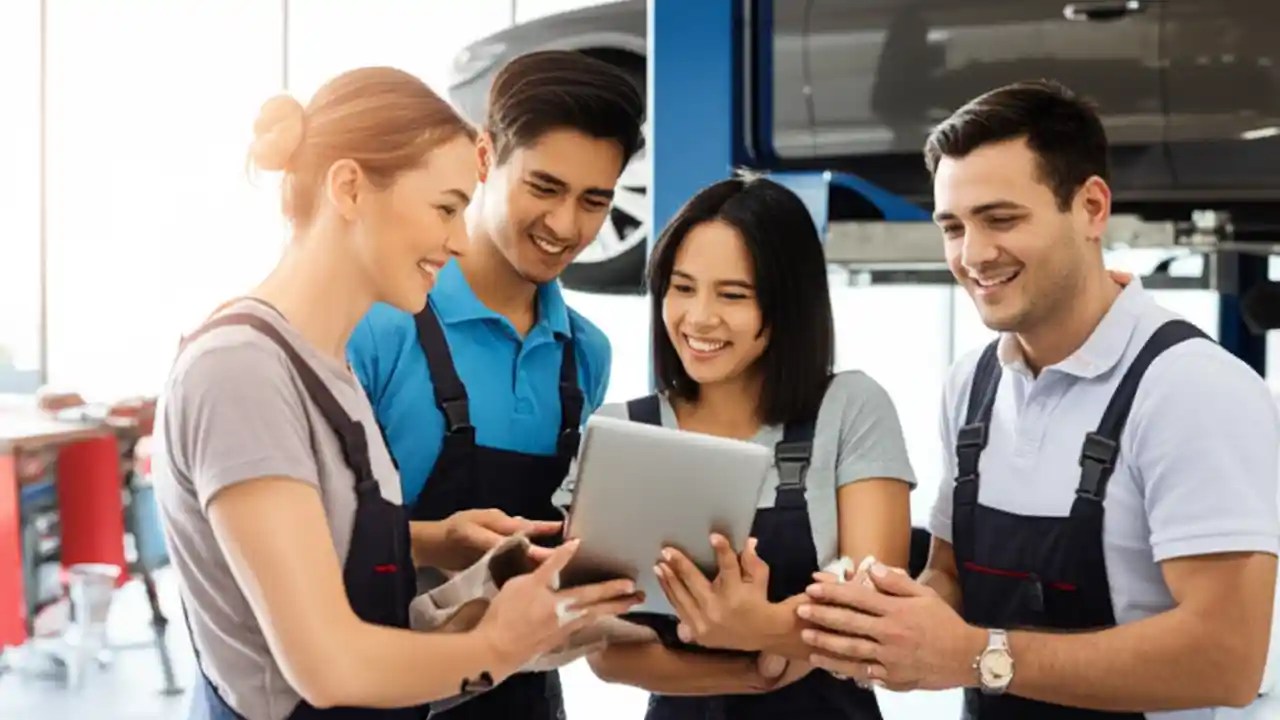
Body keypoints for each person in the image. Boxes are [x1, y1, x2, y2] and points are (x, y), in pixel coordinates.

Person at [151, 66, 641, 720]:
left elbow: (326, 537)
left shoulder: (326, 371)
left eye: (594, 199)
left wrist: (439, 541)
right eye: (446, 207)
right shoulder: (241, 370)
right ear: (350, 187)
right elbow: (329, 668)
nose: (461, 238)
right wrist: (500, 643)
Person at [796, 79, 1280, 719]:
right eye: (952, 226)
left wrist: (974, 656)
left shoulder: (1191, 389)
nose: (973, 255)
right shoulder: (971, 385)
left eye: (1001, 219)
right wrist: (885, 622)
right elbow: (951, 577)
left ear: (1091, 207)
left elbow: (1224, 661)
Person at [344, 50, 644, 720]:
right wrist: (433, 538)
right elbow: (308, 536)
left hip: (523, 695)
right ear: (484, 158)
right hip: (380, 690)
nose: (566, 226)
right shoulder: (382, 321)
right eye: (544, 188)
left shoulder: (585, 354)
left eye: (594, 201)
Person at [572, 177, 918, 719]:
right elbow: (606, 650)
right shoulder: (623, 431)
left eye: (732, 294)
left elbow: (876, 612)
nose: (699, 317)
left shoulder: (850, 407)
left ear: (787, 307)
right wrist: (755, 666)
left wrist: (759, 628)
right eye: (682, 288)